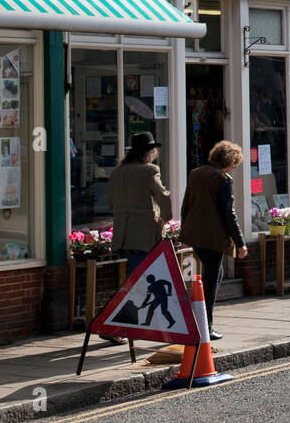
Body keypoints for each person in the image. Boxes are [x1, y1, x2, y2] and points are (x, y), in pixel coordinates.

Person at [105, 132, 170, 345]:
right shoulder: (149, 171)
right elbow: (163, 196)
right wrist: (164, 219)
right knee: (137, 282)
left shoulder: (117, 173)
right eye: (154, 150)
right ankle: (112, 325)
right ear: (149, 152)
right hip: (145, 233)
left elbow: (110, 204)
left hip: (124, 233)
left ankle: (148, 324)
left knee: (138, 278)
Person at [180, 140, 249, 341]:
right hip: (213, 236)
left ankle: (202, 322)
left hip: (195, 233)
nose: (235, 167)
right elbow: (229, 214)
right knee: (212, 279)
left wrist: (185, 230)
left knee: (212, 276)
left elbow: (187, 204)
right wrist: (240, 242)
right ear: (229, 161)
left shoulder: (196, 173)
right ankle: (205, 325)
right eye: (235, 164)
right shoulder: (222, 179)